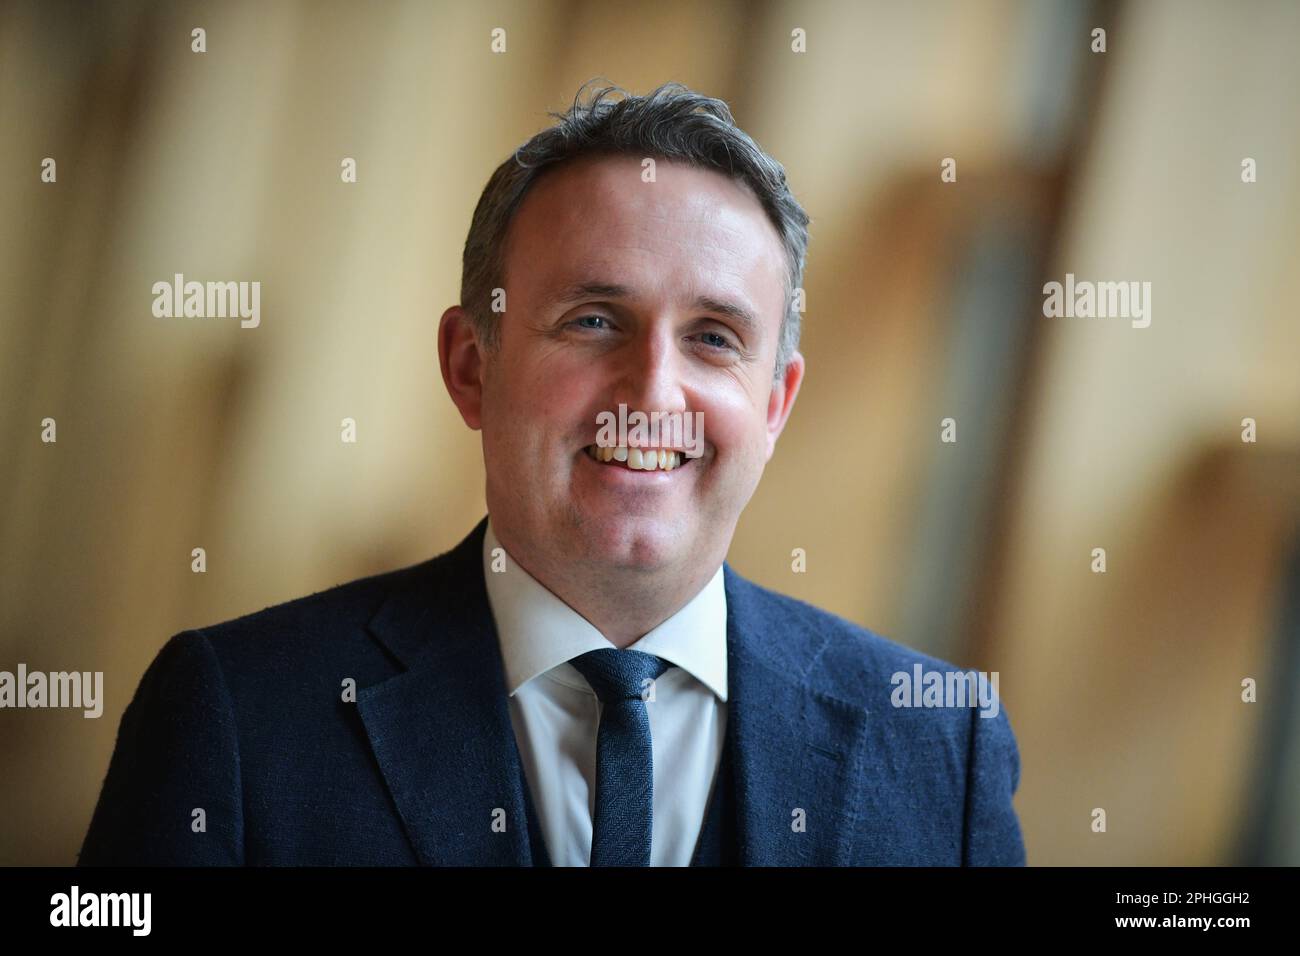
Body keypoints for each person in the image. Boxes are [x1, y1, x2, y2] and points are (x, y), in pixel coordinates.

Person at [79, 81, 1026, 867]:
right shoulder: (239, 720)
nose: (651, 393)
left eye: (713, 338)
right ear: (470, 367)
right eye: (593, 321)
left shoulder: (943, 752)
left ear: (775, 404)